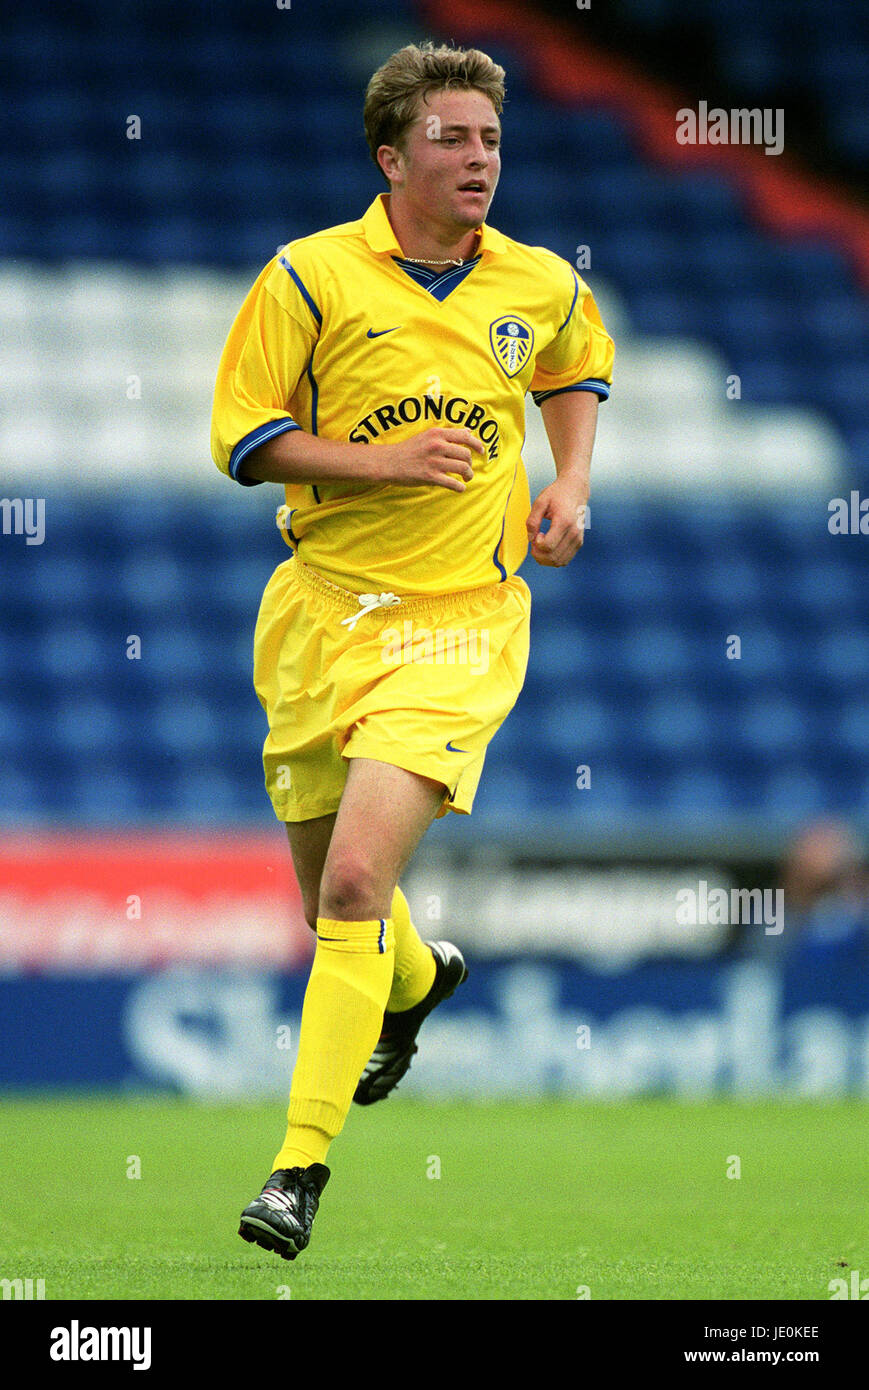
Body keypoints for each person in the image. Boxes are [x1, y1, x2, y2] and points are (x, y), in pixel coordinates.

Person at [210, 40, 614, 1260]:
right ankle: (411, 981)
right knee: (338, 907)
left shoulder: (535, 280)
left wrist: (571, 481)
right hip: (319, 614)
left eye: (489, 138)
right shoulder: (308, 277)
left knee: (347, 889)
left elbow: (576, 362)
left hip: (459, 621)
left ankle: (296, 1171)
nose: (478, 157)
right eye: (452, 137)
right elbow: (240, 440)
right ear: (391, 157)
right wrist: (378, 461)